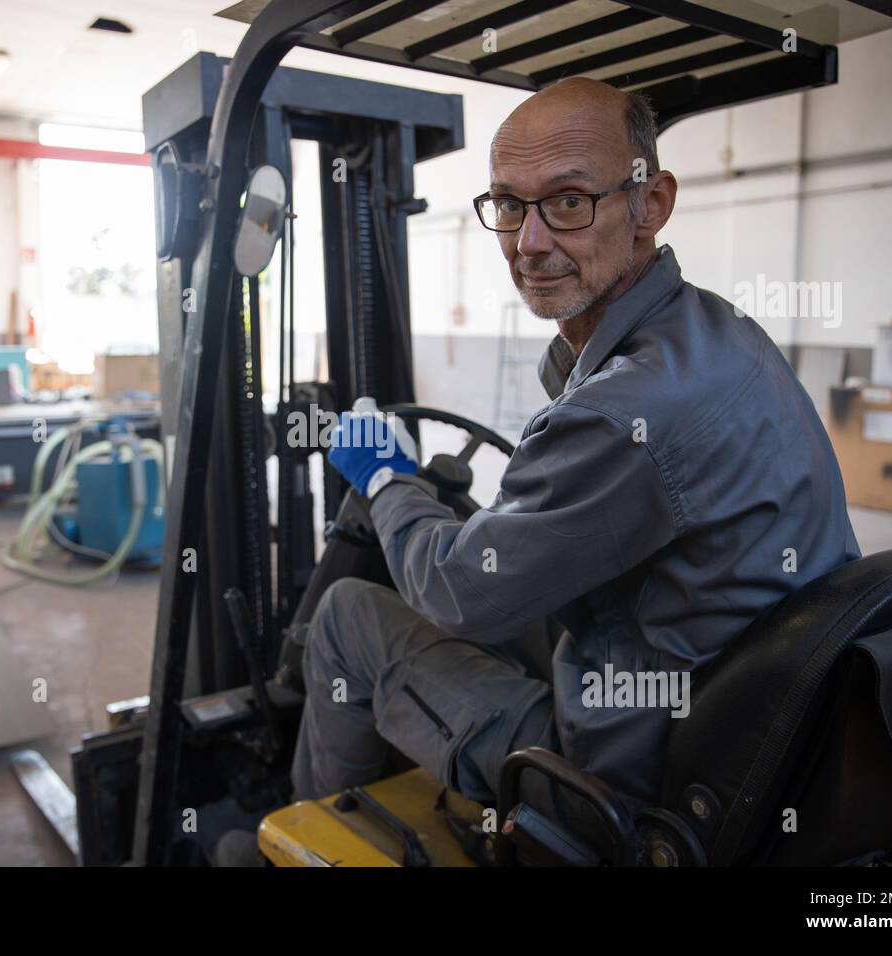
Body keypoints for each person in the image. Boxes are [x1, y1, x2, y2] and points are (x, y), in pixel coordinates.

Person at [291, 77, 860, 822]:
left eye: (567, 202)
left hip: (621, 782)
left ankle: (299, 828)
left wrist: (387, 478)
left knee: (347, 617)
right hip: (745, 728)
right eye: (508, 205)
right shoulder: (718, 334)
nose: (528, 242)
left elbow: (456, 594)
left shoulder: (626, 409)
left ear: (649, 203)